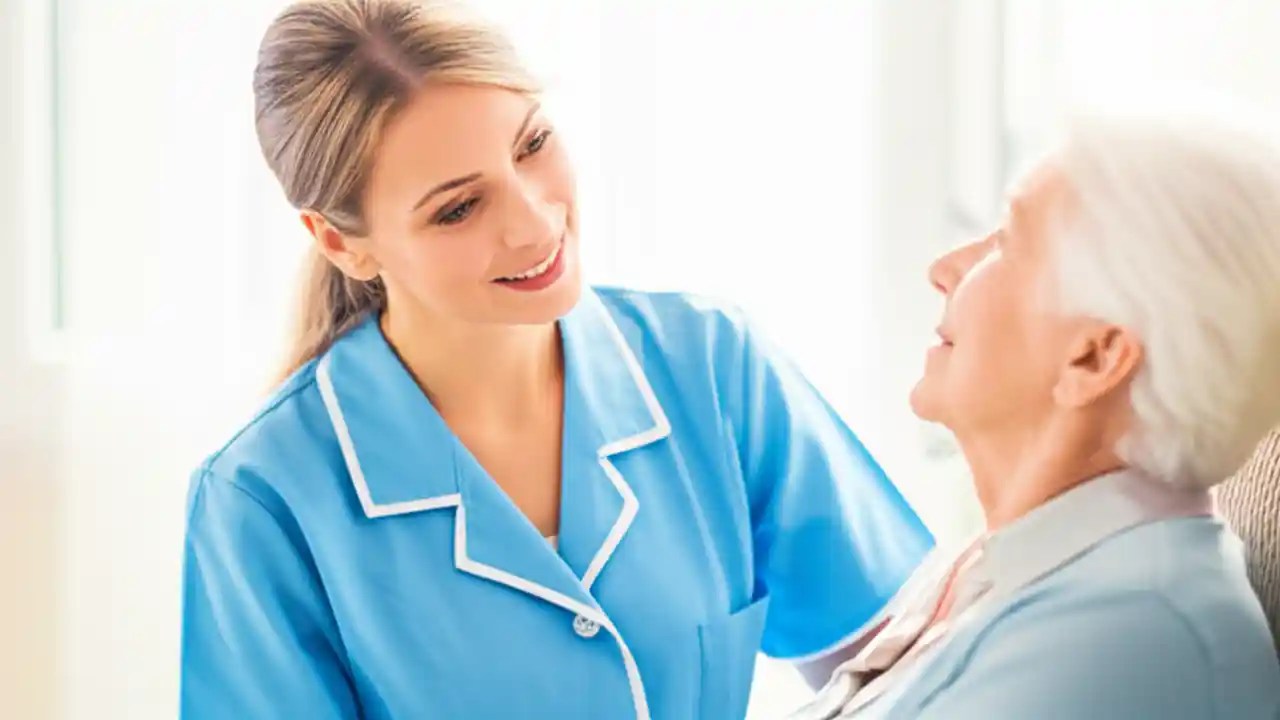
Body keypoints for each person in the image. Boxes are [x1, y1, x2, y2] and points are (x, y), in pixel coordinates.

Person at [178, 1, 933, 718]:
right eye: (458, 208)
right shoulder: (265, 498)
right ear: (343, 242)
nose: (535, 224)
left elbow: (903, 670)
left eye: (532, 145)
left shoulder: (709, 366)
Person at [789, 112, 1280, 719]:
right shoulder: (1004, 576)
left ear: (1094, 358)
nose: (945, 270)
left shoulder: (1127, 640)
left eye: (1007, 242)